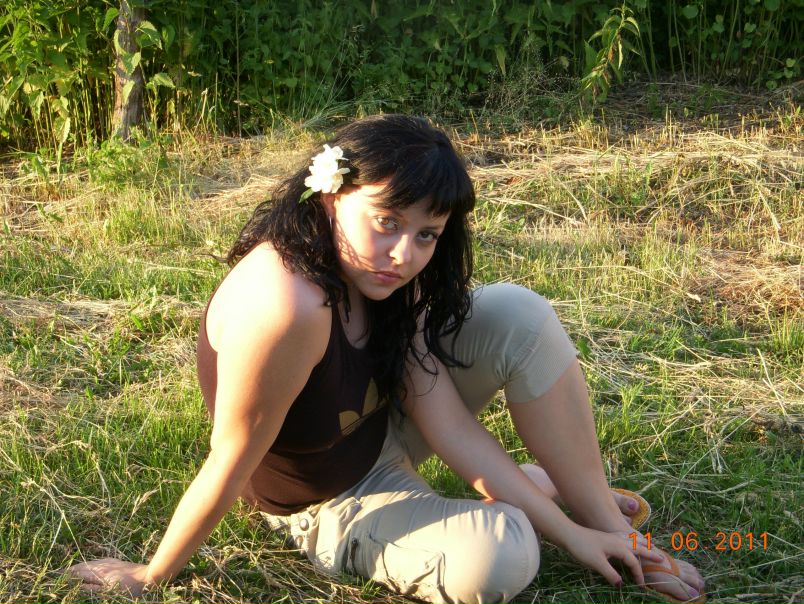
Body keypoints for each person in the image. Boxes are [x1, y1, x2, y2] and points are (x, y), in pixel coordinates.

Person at [69, 115, 705, 604]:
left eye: (427, 234)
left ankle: (607, 524)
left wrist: (581, 534)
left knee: (520, 313)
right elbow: (230, 459)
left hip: (377, 427)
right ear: (330, 196)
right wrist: (151, 575)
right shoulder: (287, 307)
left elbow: (446, 422)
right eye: (386, 221)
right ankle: (534, 492)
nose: (404, 254)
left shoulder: (386, 275)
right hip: (326, 496)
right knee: (504, 552)